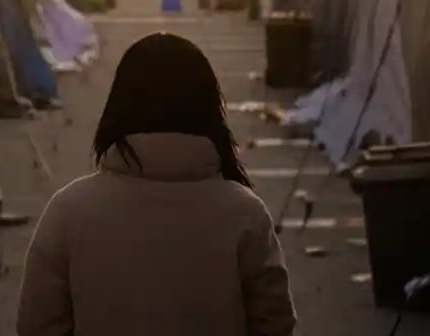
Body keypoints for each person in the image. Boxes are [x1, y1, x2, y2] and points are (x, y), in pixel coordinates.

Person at [17, 33, 297, 336]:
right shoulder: (245, 214)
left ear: (118, 107)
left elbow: (38, 325)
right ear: (208, 110)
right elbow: (275, 324)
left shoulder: (68, 212)